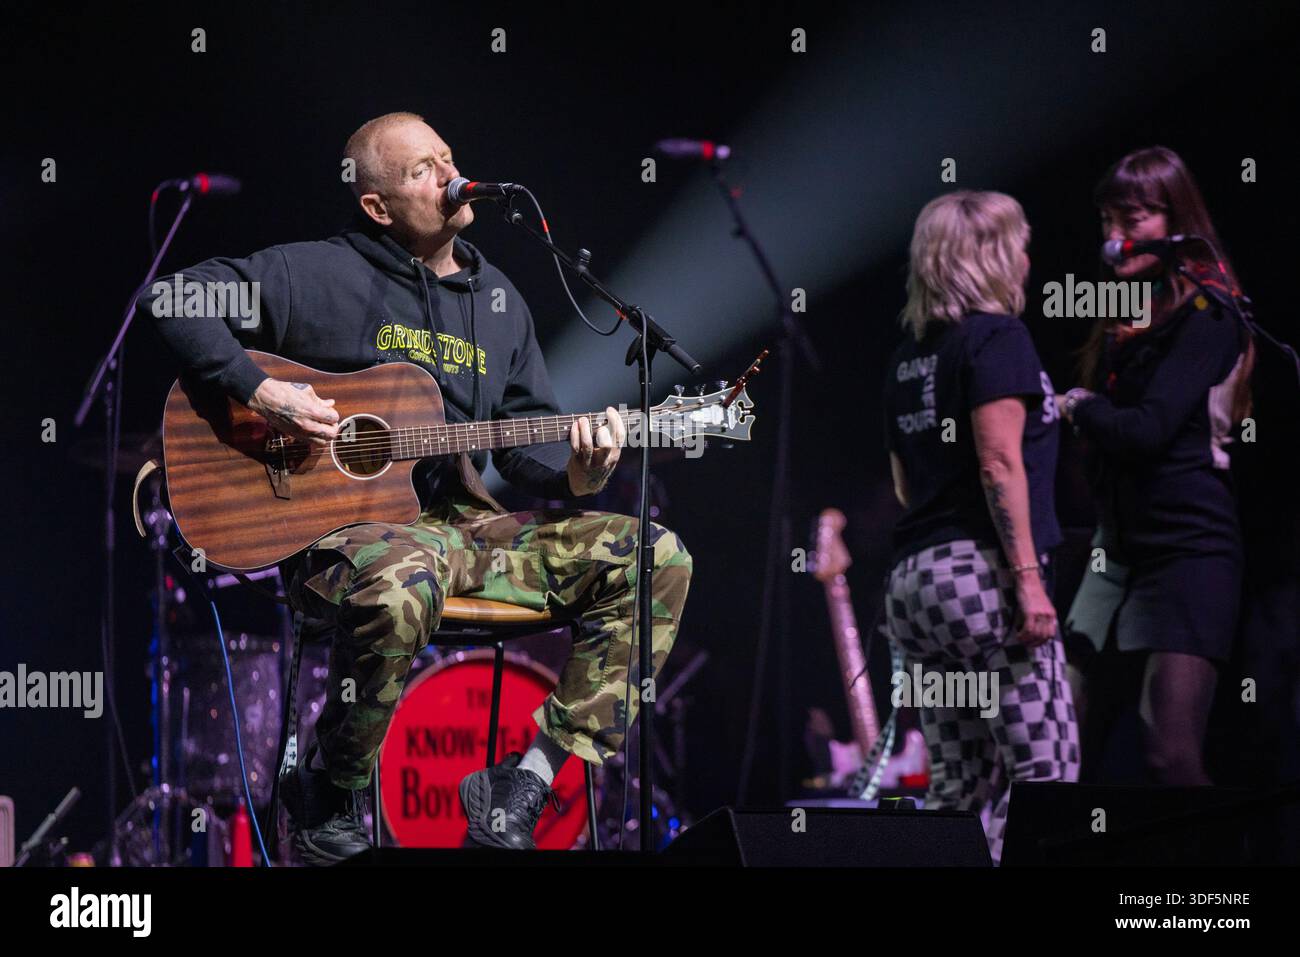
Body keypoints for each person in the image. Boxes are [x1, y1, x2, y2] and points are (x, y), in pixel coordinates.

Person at [140, 112, 694, 863]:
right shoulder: (319, 274)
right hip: (349, 539)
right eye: (420, 171)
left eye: (448, 159)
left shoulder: (498, 301)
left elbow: (528, 448)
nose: (448, 177)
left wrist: (579, 471)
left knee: (654, 556)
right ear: (377, 204)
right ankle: (330, 789)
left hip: (464, 531)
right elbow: (174, 297)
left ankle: (523, 783)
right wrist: (264, 390)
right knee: (408, 575)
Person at [882, 190, 1079, 864]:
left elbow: (905, 484)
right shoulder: (998, 337)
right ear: (990, 254)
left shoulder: (907, 356)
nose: (1027, 257)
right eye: (1018, 243)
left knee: (957, 787)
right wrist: (1029, 578)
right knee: (1047, 773)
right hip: (982, 576)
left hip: (916, 583)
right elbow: (999, 463)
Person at [1059, 146, 1252, 786]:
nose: (1114, 239)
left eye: (1133, 219)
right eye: (1107, 221)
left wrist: (1080, 407)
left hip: (1186, 549)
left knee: (1169, 754)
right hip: (1113, 555)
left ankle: (1203, 892)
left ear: (1175, 220)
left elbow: (1147, 432)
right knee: (1065, 748)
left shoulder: (1210, 312)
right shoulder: (1119, 312)